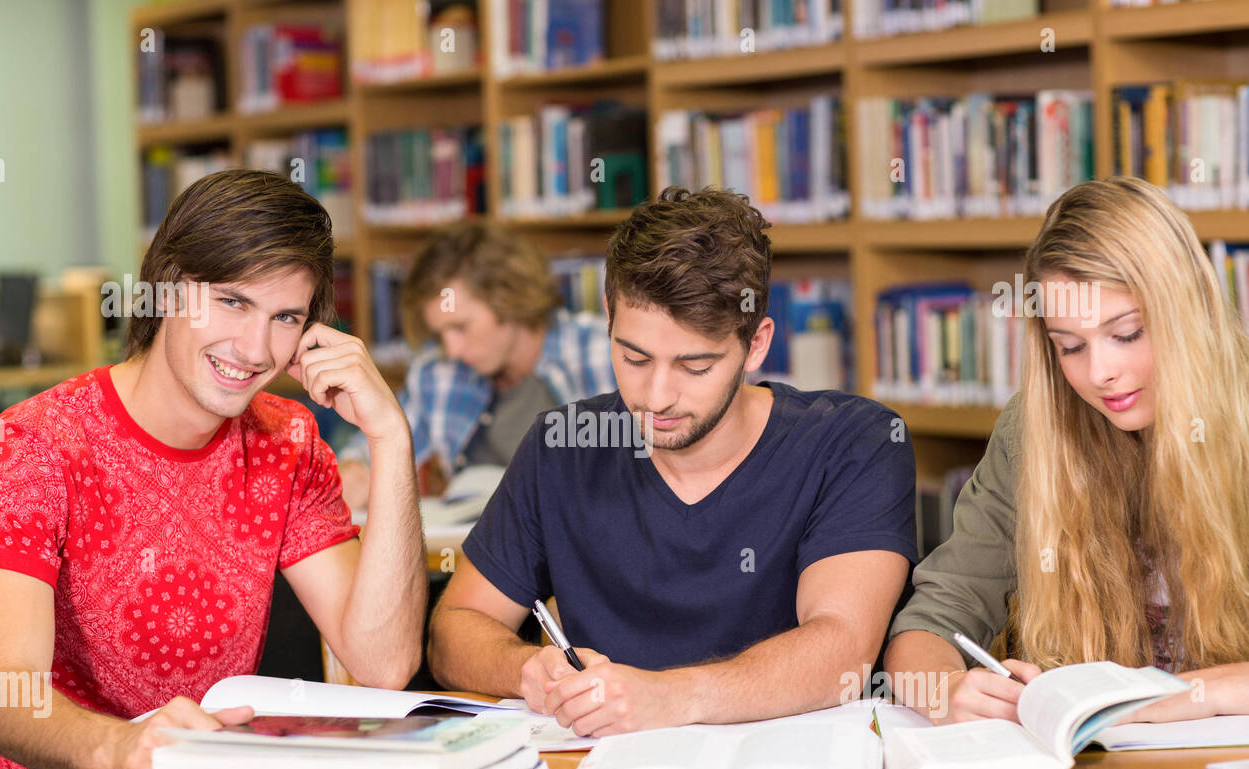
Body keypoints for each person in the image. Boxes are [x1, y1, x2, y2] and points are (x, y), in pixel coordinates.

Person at [0, 169, 425, 769]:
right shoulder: (32, 446)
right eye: (233, 302)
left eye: (284, 317)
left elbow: (384, 663)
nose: (255, 349)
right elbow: (2, 701)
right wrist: (120, 747)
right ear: (169, 289)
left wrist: (390, 438)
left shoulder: (286, 441)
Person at [427, 186, 917, 736]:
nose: (656, 396)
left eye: (695, 365)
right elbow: (454, 630)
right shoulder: (562, 445)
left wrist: (670, 697)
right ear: (609, 316)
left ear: (756, 344)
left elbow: (843, 651)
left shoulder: (855, 443)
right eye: (634, 357)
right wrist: (525, 669)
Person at [885, 176, 1249, 724]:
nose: (1100, 372)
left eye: (1127, 333)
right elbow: (937, 617)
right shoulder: (1034, 429)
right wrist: (945, 690)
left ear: (1188, 312)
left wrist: (1182, 697)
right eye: (1070, 347)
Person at [335, 222, 616, 509]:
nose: (453, 350)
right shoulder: (437, 373)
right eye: (441, 334)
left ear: (508, 298)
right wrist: (356, 468)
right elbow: (382, 440)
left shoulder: (604, 353)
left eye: (460, 327)